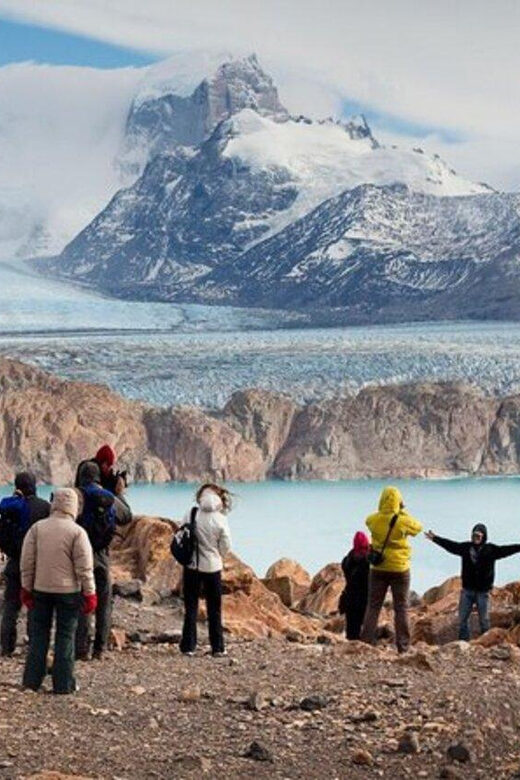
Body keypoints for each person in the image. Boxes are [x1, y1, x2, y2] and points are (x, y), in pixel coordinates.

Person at [20, 488, 96, 694]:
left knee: (39, 636)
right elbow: (85, 568)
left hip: (40, 589)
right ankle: (63, 684)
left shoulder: (37, 529)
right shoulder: (77, 532)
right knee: (65, 636)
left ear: (54, 504)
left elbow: (27, 562)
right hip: (68, 592)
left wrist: (26, 588)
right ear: (74, 506)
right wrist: (90, 593)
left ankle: (32, 681)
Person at [74, 461, 132, 661]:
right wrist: (119, 493)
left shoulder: (76, 495)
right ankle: (100, 648)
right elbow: (126, 516)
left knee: (83, 598)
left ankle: (81, 648)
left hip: (80, 555)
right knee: (104, 601)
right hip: (102, 555)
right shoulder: (108, 497)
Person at [425, 524, 520, 640]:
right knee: (462, 619)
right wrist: (435, 539)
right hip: (467, 591)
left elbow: (507, 550)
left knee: (484, 620)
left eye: (479, 536)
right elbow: (451, 546)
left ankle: (485, 641)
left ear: (484, 536)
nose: (476, 538)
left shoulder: (491, 550)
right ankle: (463, 642)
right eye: (474, 535)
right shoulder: (466, 548)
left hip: (483, 592)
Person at [360, 486, 422, 653]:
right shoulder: (402, 520)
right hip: (400, 569)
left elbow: (368, 521)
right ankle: (403, 646)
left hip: (378, 568)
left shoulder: (373, 519)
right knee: (401, 608)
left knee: (373, 606)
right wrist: (401, 511)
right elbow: (418, 528)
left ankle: (366, 643)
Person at [0, 472, 50, 656]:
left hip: (14, 562)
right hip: (36, 564)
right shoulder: (44, 507)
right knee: (34, 605)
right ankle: (33, 644)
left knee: (10, 606)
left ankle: (6, 646)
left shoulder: (10, 508)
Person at [179, 483, 232, 657]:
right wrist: (216, 554)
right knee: (214, 609)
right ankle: (217, 647)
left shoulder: (191, 513)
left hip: (192, 566)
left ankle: (188, 646)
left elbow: (182, 533)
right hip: (212, 568)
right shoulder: (221, 519)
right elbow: (226, 546)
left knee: (191, 607)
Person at [340, 531, 370, 640]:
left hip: (349, 598)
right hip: (364, 599)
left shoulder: (346, 561)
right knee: (365, 629)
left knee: (351, 632)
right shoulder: (368, 563)